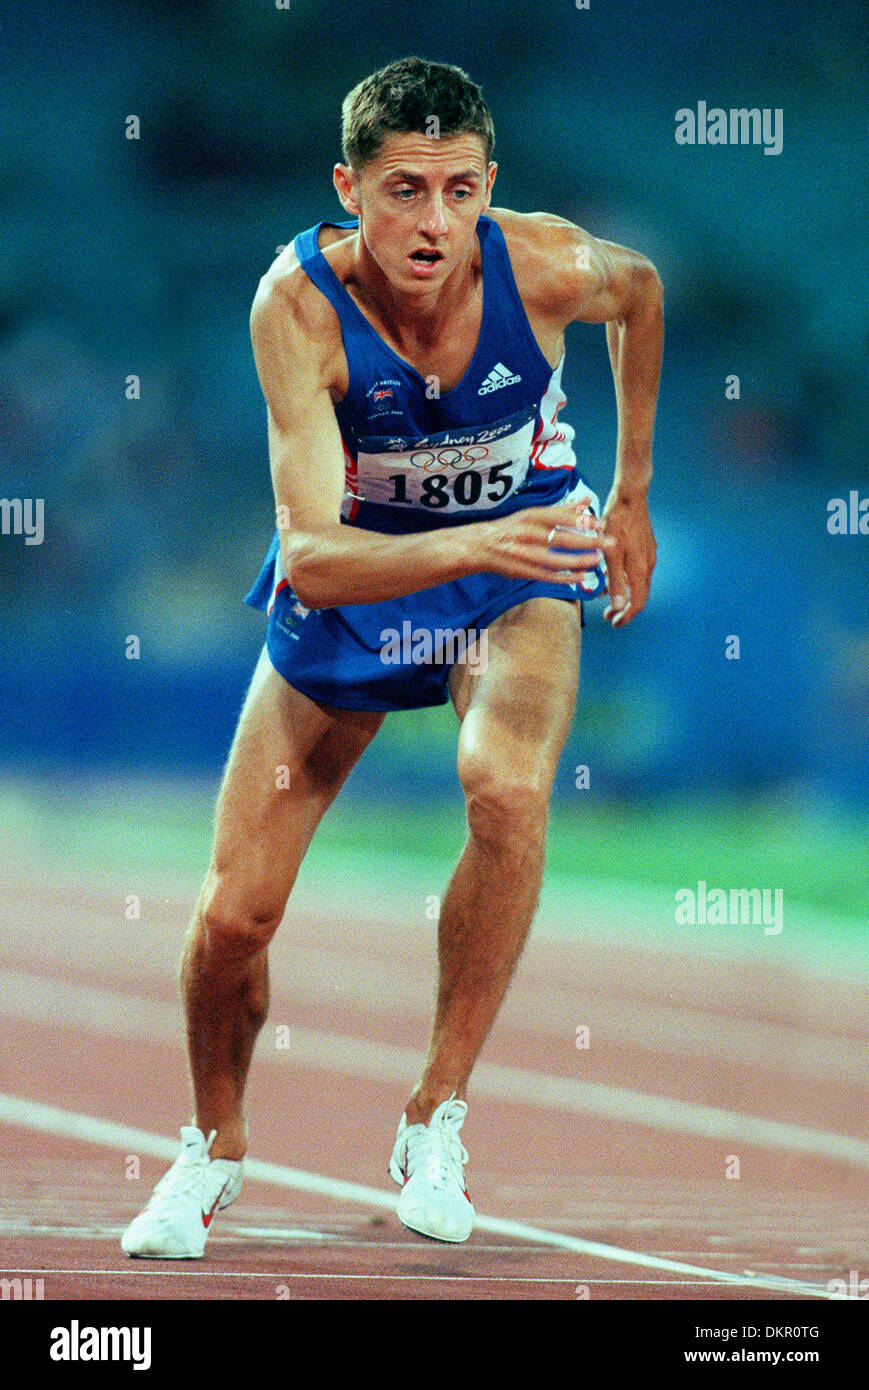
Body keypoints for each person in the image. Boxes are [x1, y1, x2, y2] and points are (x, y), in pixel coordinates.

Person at [121, 54, 662, 1257]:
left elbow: (643, 295)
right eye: (404, 191)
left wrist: (626, 493)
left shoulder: (550, 265)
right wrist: (482, 531)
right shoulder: (296, 306)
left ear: (490, 187)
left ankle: (436, 1112)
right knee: (234, 917)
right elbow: (313, 555)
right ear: (347, 188)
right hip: (363, 584)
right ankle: (212, 1148)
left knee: (506, 790)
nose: (434, 223)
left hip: (513, 577)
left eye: (460, 190)